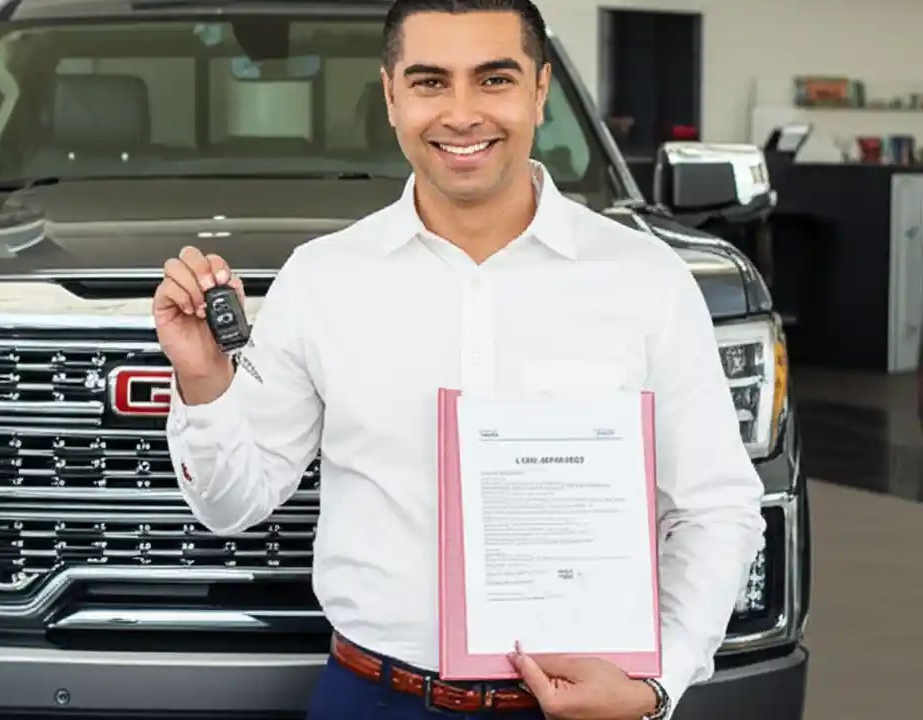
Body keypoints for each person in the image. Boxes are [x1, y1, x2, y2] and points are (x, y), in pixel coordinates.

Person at [153, 1, 766, 718]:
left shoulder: (645, 280)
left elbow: (714, 508)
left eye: (494, 79)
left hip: (586, 705)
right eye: (430, 82)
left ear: (539, 90)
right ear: (391, 96)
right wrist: (205, 380)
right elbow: (232, 504)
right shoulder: (322, 280)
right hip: (373, 698)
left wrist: (657, 685)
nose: (463, 114)